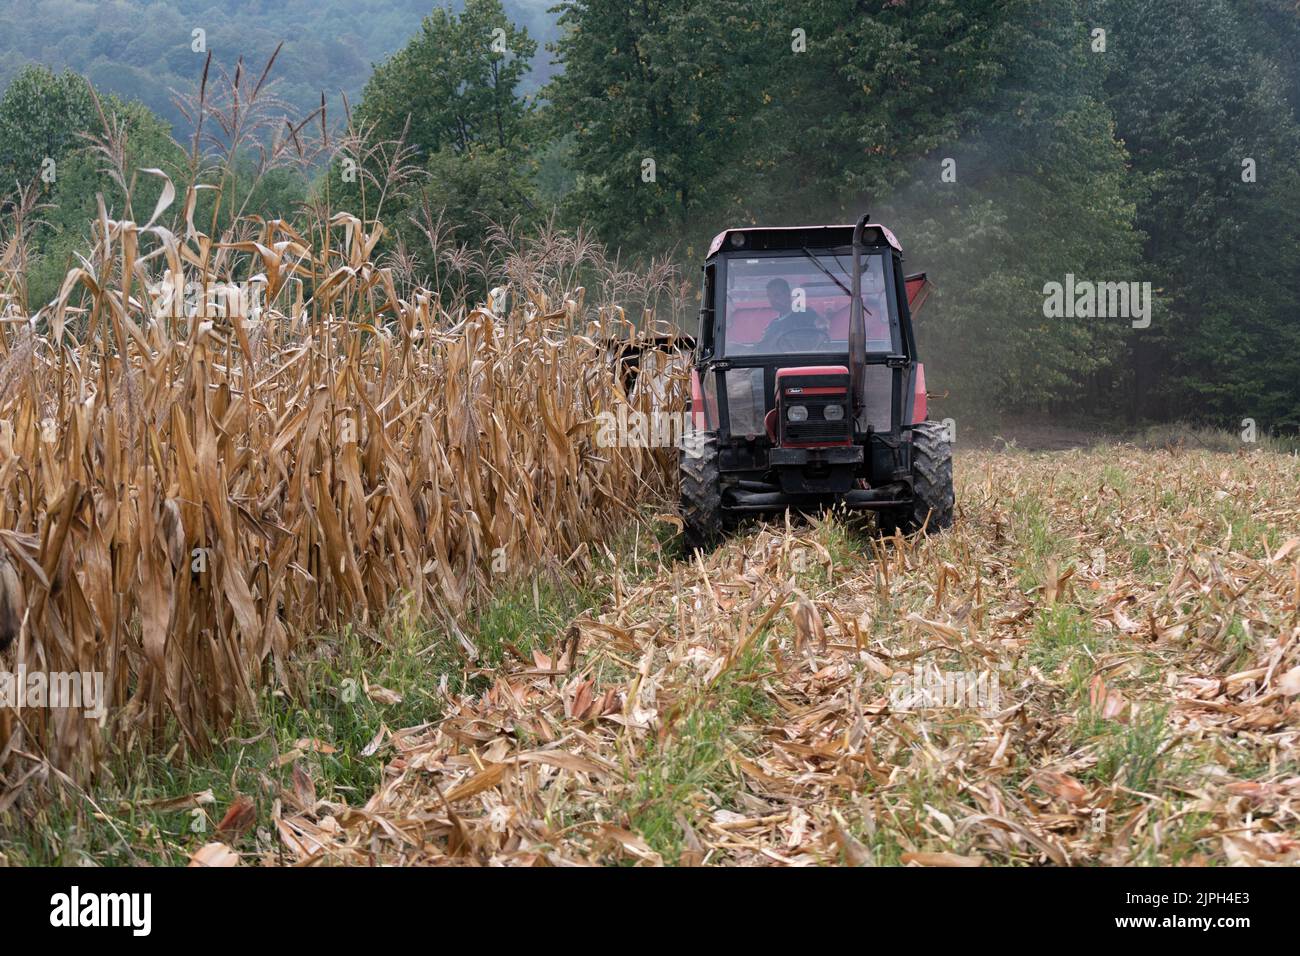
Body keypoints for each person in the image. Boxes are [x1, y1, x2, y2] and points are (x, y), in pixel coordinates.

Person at [757, 278, 824, 352]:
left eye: (777, 295)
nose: (772, 300)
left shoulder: (807, 315)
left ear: (788, 294)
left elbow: (821, 335)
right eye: (769, 297)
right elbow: (761, 349)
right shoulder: (773, 325)